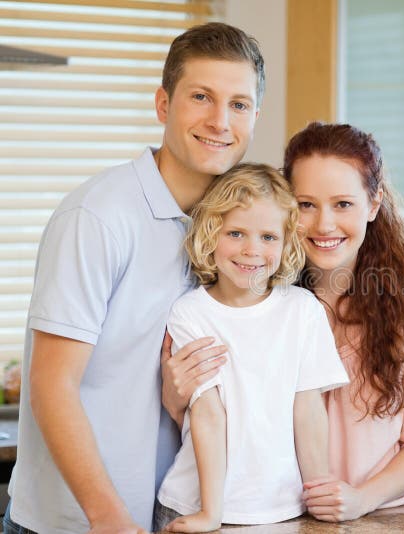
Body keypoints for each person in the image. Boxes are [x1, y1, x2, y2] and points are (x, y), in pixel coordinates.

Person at [4, 23, 264, 533]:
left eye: (238, 104)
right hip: (79, 525)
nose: (219, 120)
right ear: (164, 105)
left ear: (255, 116)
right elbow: (52, 385)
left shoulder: (232, 230)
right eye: (201, 97)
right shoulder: (98, 217)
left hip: (167, 517)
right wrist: (111, 520)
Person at [154, 163, 348, 532]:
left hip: (284, 510)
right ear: (211, 234)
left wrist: (318, 492)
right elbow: (208, 416)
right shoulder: (190, 313)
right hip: (195, 505)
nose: (252, 250)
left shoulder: (302, 310)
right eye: (236, 233)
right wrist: (211, 513)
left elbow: (308, 411)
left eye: (268, 237)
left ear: (287, 242)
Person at [283, 122, 404, 521]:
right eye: (306, 204)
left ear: (373, 204)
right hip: (283, 520)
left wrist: (362, 499)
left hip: (383, 520)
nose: (324, 224)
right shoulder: (266, 304)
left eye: (342, 204)